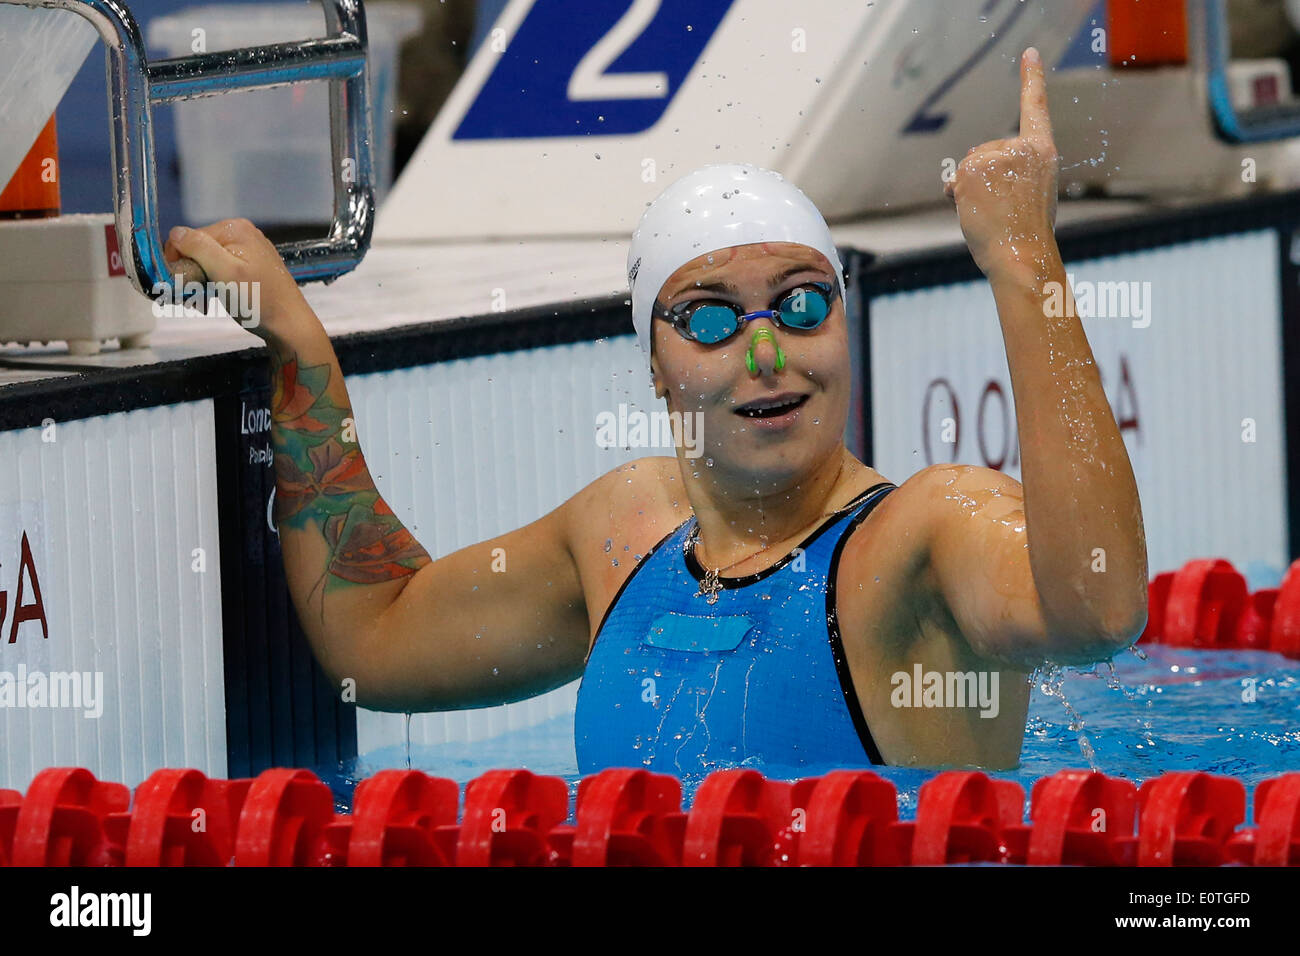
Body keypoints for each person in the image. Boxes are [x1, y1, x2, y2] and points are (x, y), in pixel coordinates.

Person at [162, 47, 1147, 774]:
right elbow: (372, 636)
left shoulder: (922, 536)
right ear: (657, 367)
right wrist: (298, 343)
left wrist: (1023, 264)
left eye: (803, 303)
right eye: (712, 318)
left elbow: (1098, 608)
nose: (769, 354)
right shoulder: (621, 531)